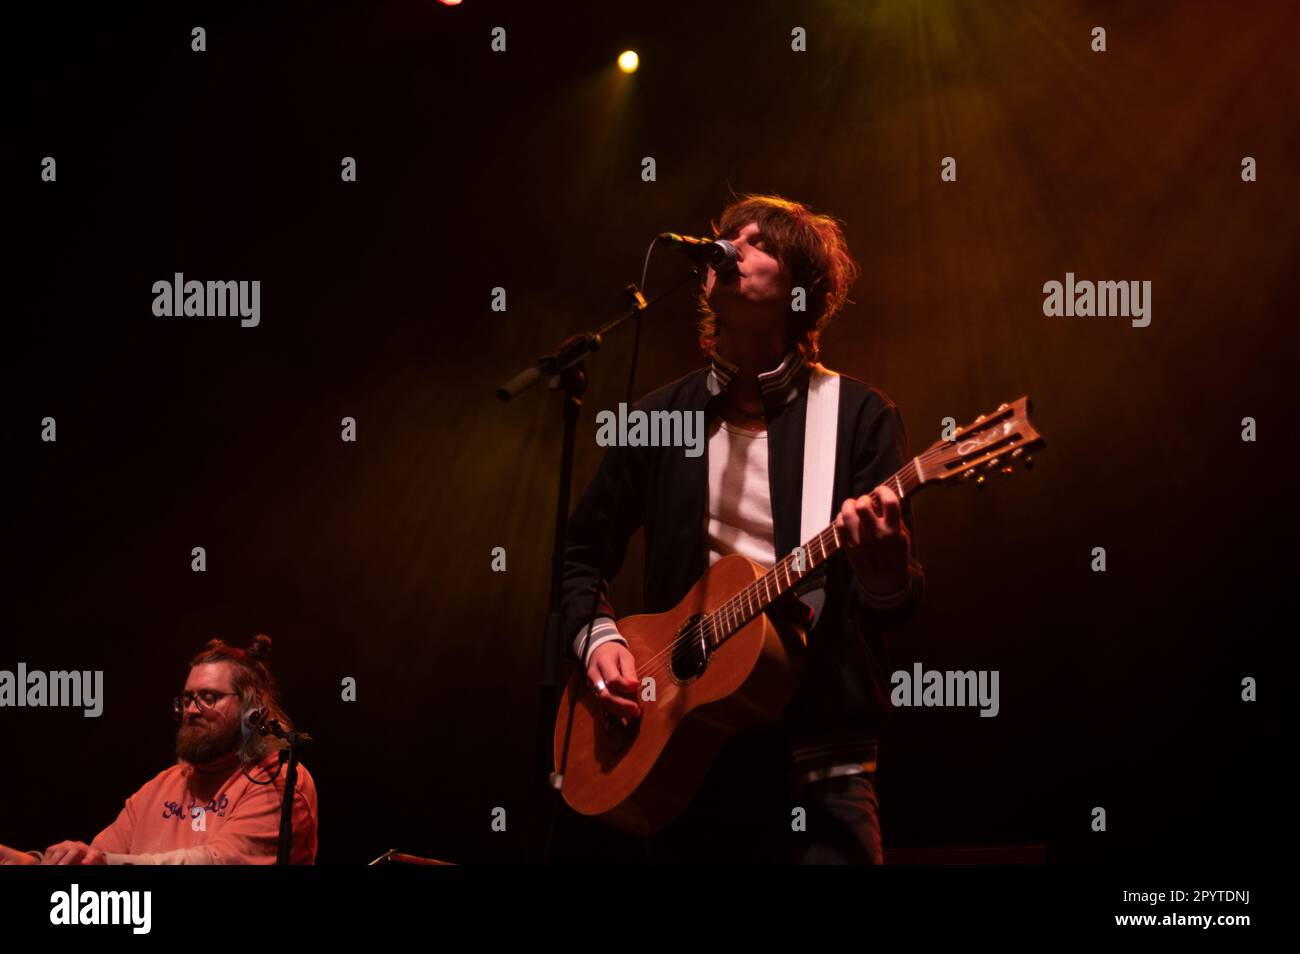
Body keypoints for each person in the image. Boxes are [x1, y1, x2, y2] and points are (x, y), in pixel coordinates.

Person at [560, 193, 924, 863]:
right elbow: (579, 552)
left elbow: (891, 608)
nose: (733, 246)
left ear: (801, 292)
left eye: (760, 242)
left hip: (818, 758)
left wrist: (884, 574)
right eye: (729, 237)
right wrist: (598, 641)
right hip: (682, 754)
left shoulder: (859, 416)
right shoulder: (658, 418)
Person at [0, 635, 318, 865]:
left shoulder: (278, 781)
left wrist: (104, 862)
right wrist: (32, 863)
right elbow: (93, 860)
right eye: (187, 699)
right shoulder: (161, 786)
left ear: (253, 710)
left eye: (208, 697)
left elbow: (217, 861)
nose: (191, 710)